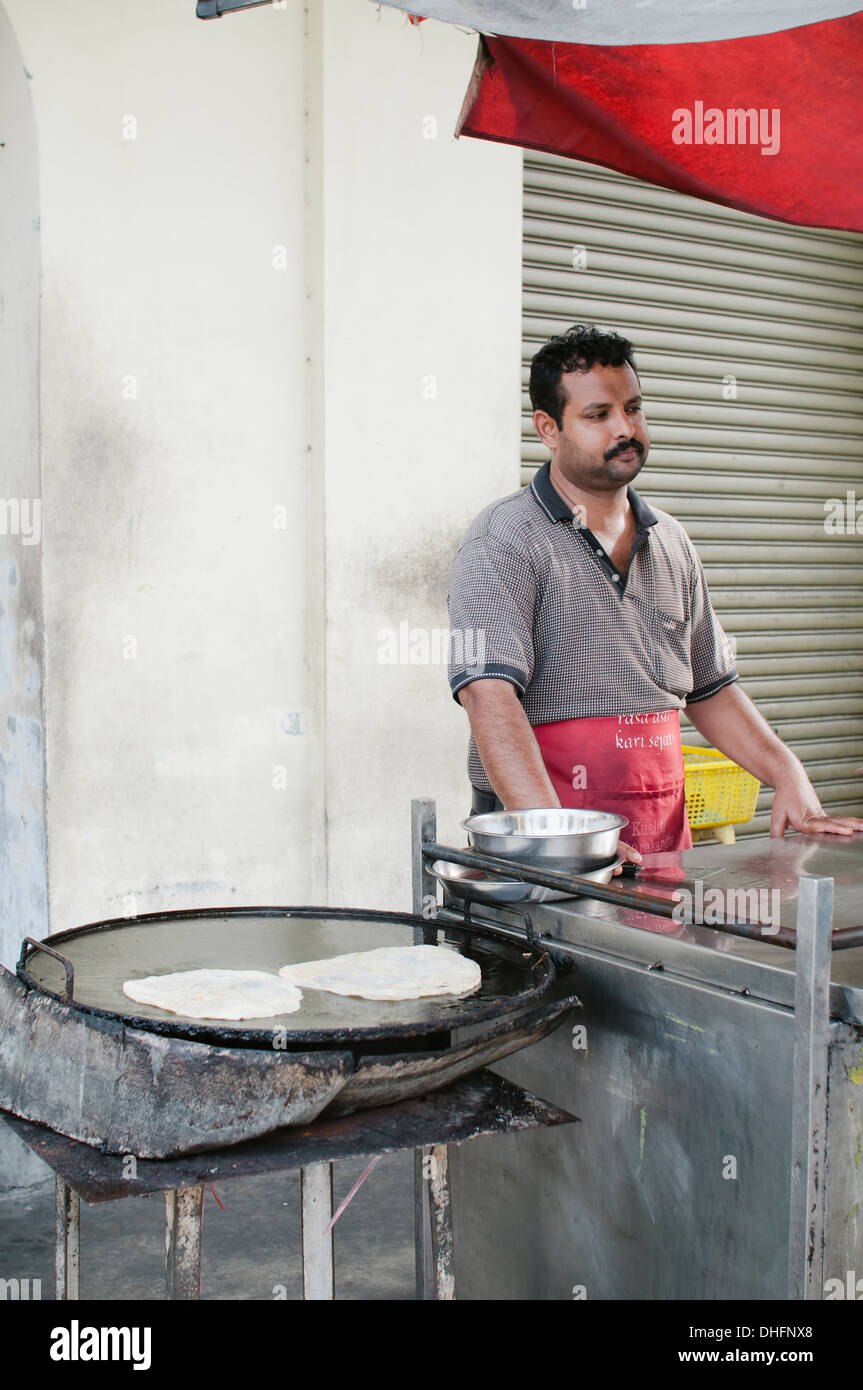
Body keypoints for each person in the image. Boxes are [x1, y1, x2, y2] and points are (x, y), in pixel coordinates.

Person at [447, 323, 863, 862]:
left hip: (660, 836)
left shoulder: (671, 541)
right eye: (598, 415)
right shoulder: (503, 540)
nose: (625, 428)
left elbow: (710, 686)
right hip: (541, 841)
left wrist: (789, 774)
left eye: (634, 408)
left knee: (667, 948)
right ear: (548, 429)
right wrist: (562, 841)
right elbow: (489, 699)